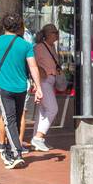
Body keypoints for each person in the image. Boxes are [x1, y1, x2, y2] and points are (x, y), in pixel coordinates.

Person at [0, 14, 44, 168]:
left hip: (4, 87)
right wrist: (38, 88)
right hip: (21, 87)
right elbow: (33, 67)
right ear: (19, 27)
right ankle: (12, 150)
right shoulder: (25, 45)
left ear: (4, 26)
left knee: (9, 120)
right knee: (16, 119)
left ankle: (15, 152)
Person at [29, 24, 61, 152]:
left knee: (42, 112)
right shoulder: (39, 48)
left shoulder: (52, 47)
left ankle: (36, 141)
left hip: (50, 80)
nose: (57, 34)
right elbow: (31, 62)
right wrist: (39, 71)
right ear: (47, 34)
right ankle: (38, 137)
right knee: (53, 109)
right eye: (54, 32)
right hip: (43, 81)